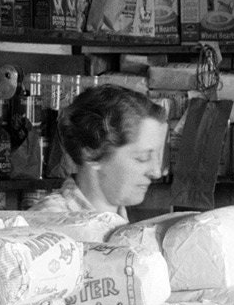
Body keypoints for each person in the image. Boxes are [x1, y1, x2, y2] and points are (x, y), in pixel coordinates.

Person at [28, 85, 168, 220]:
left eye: (158, 157)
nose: (156, 172)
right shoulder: (49, 222)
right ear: (91, 152)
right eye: (142, 157)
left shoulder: (119, 222)